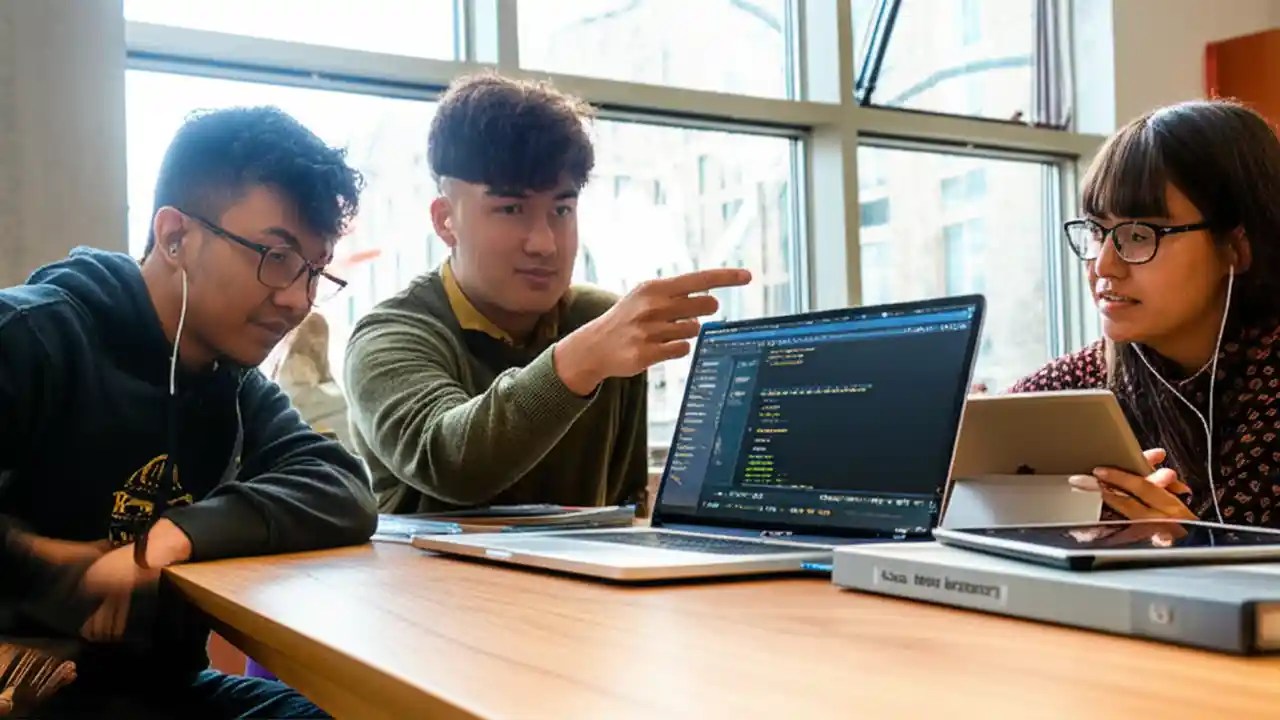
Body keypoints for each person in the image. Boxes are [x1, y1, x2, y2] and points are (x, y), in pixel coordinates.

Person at [0, 105, 378, 718]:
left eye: (314, 271)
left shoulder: (231, 382)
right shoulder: (31, 335)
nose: (297, 300)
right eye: (276, 257)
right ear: (175, 236)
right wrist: (45, 565)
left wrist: (172, 538)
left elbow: (341, 488)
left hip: (164, 695)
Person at [345, 72, 750, 514]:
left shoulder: (600, 321)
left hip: (584, 579)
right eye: (511, 209)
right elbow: (450, 462)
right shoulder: (390, 336)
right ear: (446, 220)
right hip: (431, 583)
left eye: (562, 209)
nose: (544, 242)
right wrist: (582, 361)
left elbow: (620, 507)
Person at [1009, 99, 1280, 528]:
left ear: (1236, 247)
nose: (1103, 265)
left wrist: (1194, 548)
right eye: (1097, 232)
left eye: (1140, 234)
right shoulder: (1073, 387)